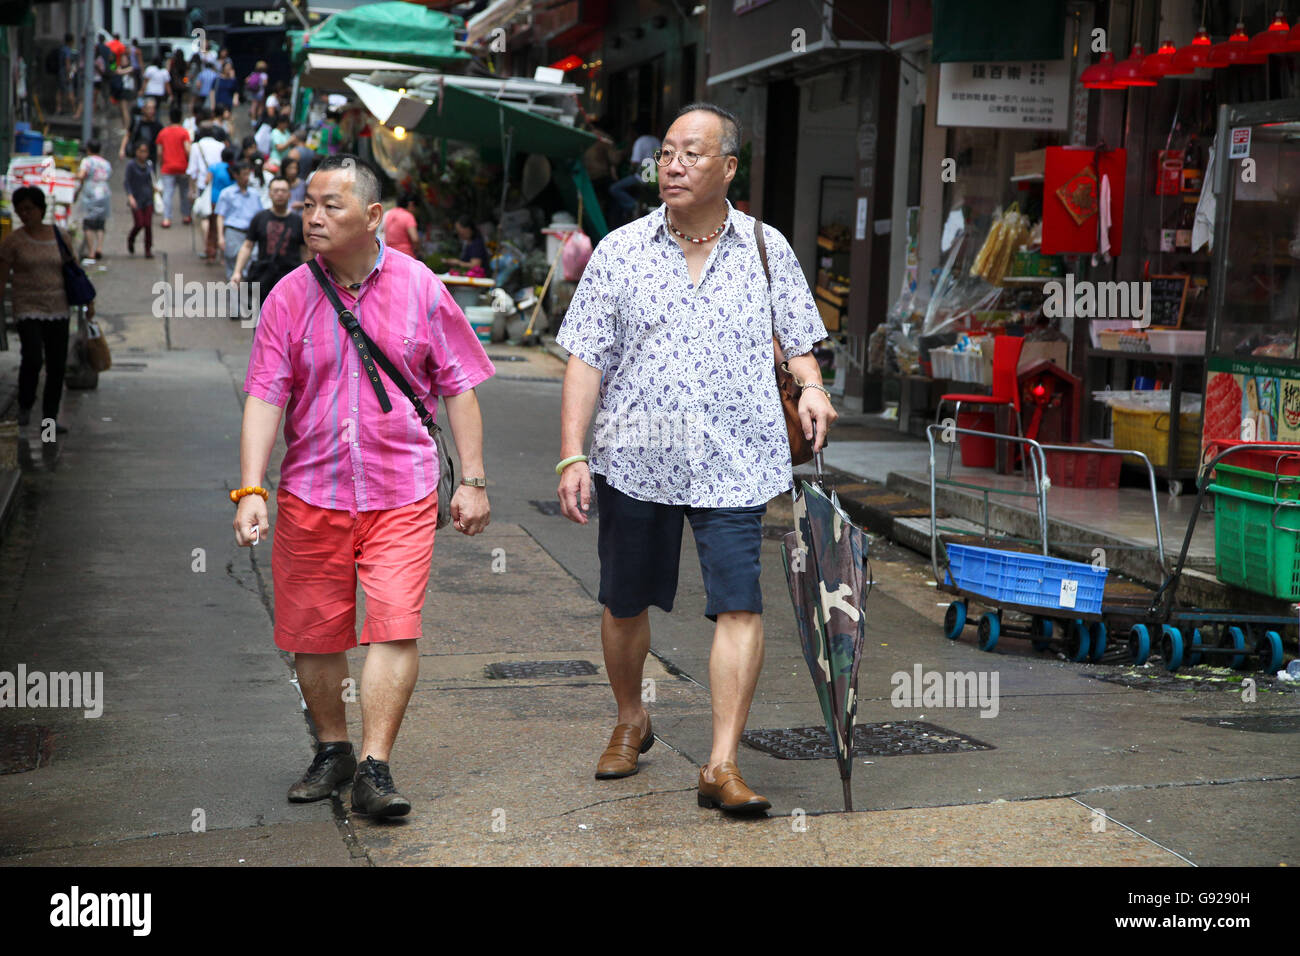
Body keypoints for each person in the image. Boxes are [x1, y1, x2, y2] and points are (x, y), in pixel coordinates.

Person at [554, 103, 836, 815]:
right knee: (624, 602)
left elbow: (798, 341)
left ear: (728, 167)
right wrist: (569, 455)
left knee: (739, 605)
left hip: (737, 456)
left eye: (691, 154)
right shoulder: (619, 251)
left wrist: (813, 390)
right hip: (636, 457)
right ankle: (630, 717)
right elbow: (586, 359)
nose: (673, 166)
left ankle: (720, 764)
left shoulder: (766, 248)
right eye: (667, 154)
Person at [233, 154, 495, 817]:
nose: (313, 217)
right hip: (310, 492)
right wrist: (251, 489)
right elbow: (265, 397)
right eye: (308, 206)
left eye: (331, 206)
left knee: (393, 627)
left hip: (402, 490)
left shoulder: (421, 288)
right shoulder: (288, 294)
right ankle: (333, 748)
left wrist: (473, 482)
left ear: (373, 216)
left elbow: (459, 387)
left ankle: (375, 766)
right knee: (314, 635)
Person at [0, 186, 89, 435]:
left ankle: (49, 422)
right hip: (27, 307)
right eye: (21, 211)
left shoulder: (60, 236)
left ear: (41, 209)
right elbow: (2, 277)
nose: (25, 214)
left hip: (58, 307)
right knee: (32, 357)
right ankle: (25, 405)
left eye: (29, 209)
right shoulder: (13, 241)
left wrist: (88, 303)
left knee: (56, 366)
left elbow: (75, 271)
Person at [231, 176, 304, 298]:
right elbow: (248, 246)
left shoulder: (298, 221)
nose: (279, 194)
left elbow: (305, 251)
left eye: (283, 190)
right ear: (269, 194)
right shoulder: (260, 218)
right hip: (264, 277)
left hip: (290, 278)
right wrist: (237, 271)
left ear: (289, 194)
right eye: (276, 190)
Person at [215, 161, 264, 279]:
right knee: (232, 265)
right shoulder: (227, 193)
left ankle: (247, 295)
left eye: (248, 174)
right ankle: (234, 296)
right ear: (236, 175)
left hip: (251, 234)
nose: (247, 178)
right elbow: (220, 215)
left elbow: (260, 215)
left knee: (251, 265)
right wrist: (221, 237)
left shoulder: (255, 194)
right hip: (233, 232)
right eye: (244, 174)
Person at [608, 126, 660, 228]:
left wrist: (630, 170)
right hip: (655, 177)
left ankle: (633, 205)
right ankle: (638, 205)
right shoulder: (656, 140)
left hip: (643, 176)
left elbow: (634, 162)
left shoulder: (640, 141)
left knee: (614, 188)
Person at [155, 106, 192, 228]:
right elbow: (188, 150)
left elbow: (159, 152)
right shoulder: (184, 132)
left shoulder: (163, 133)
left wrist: (161, 164)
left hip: (168, 167)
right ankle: (186, 216)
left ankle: (167, 218)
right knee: (184, 192)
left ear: (169, 118)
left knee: (168, 194)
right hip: (182, 167)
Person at [77, 139, 112, 261]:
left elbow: (81, 175)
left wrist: (76, 180)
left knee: (88, 223)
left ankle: (91, 251)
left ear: (88, 149)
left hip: (91, 192)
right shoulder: (106, 163)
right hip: (104, 191)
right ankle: (99, 248)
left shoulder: (87, 161)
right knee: (100, 223)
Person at [123, 139, 157, 258]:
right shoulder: (131, 165)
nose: (143, 154)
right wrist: (130, 197)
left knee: (148, 224)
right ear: (136, 152)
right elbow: (127, 182)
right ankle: (131, 239)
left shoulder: (149, 164)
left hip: (148, 198)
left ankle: (148, 249)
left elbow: (152, 179)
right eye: (141, 151)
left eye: (145, 152)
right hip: (136, 197)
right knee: (139, 223)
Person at [120, 96, 162, 162]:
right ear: (143, 109)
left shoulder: (158, 125)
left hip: (151, 157)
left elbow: (160, 143)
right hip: (136, 157)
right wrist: (122, 149)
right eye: (149, 108)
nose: (151, 111)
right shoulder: (136, 122)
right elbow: (128, 135)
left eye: (152, 108)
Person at [383, 193, 419, 258]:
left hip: (390, 254)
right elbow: (415, 239)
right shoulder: (408, 216)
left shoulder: (389, 214)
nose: (415, 210)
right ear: (411, 204)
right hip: (406, 254)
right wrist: (417, 249)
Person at [246, 60, 268, 125]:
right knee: (260, 106)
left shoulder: (253, 73)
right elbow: (265, 83)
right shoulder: (264, 75)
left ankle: (253, 120)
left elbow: (247, 80)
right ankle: (259, 119)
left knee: (253, 105)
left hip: (254, 92)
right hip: (260, 92)